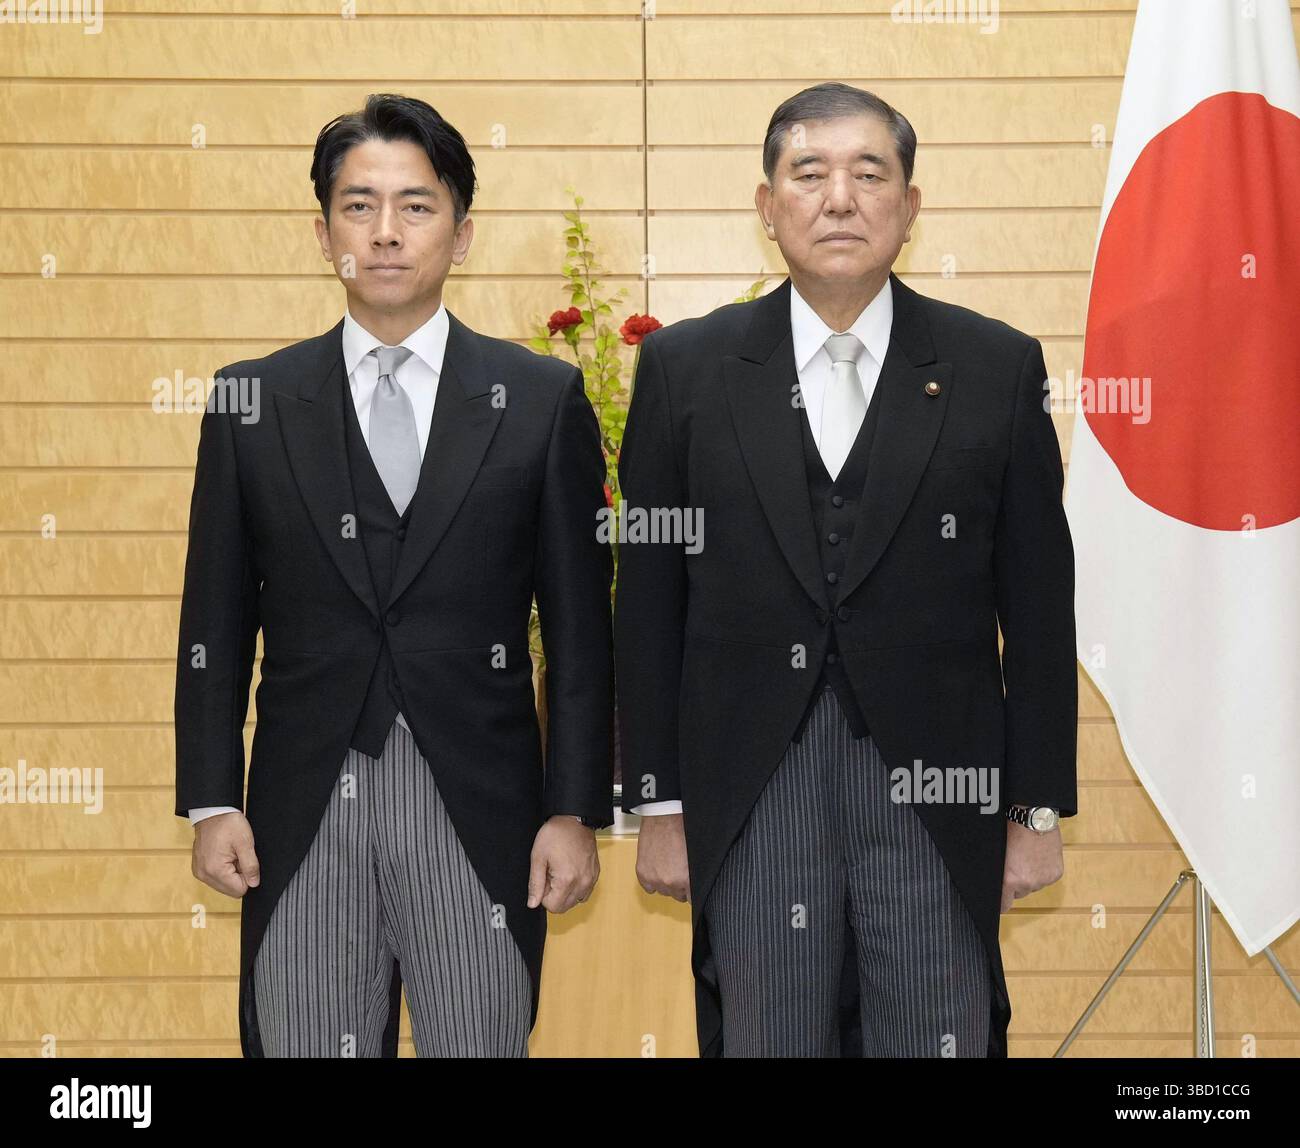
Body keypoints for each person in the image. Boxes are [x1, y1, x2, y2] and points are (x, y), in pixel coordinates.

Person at [615, 82, 1077, 1057]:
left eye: (870, 174)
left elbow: (1038, 609)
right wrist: (655, 802)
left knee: (936, 1031)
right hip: (752, 786)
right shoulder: (686, 372)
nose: (839, 197)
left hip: (936, 789)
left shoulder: (995, 367)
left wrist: (1034, 808)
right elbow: (647, 605)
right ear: (766, 203)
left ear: (909, 208)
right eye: (809, 174)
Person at [174, 93, 613, 1057]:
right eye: (358, 205)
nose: (385, 233)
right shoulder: (251, 401)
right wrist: (212, 801)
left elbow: (583, 632)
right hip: (302, 807)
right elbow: (213, 617)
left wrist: (573, 808)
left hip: (483, 808)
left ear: (460, 234)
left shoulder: (540, 401)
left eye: (416, 206)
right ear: (322, 229)